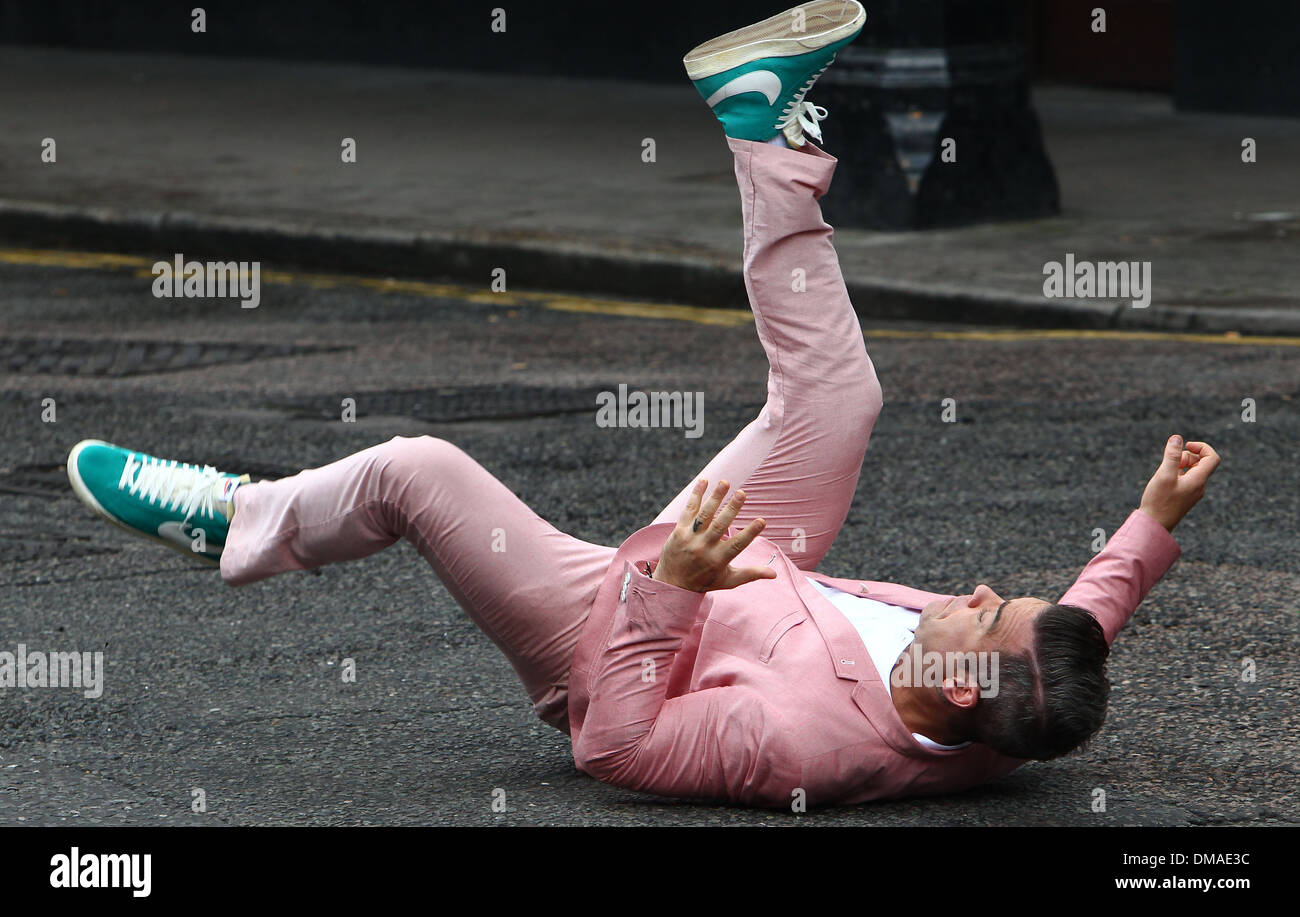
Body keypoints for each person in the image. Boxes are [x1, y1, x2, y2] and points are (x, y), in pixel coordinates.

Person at [65, 1, 1220, 808]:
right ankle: (761, 127)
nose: (974, 590)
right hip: (751, 558)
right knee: (841, 396)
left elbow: (616, 746)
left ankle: (238, 517)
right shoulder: (1015, 706)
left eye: (986, 611)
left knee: (416, 468)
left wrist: (669, 587)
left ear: (962, 683)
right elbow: (1077, 637)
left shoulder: (803, 744)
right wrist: (1151, 521)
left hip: (610, 626)